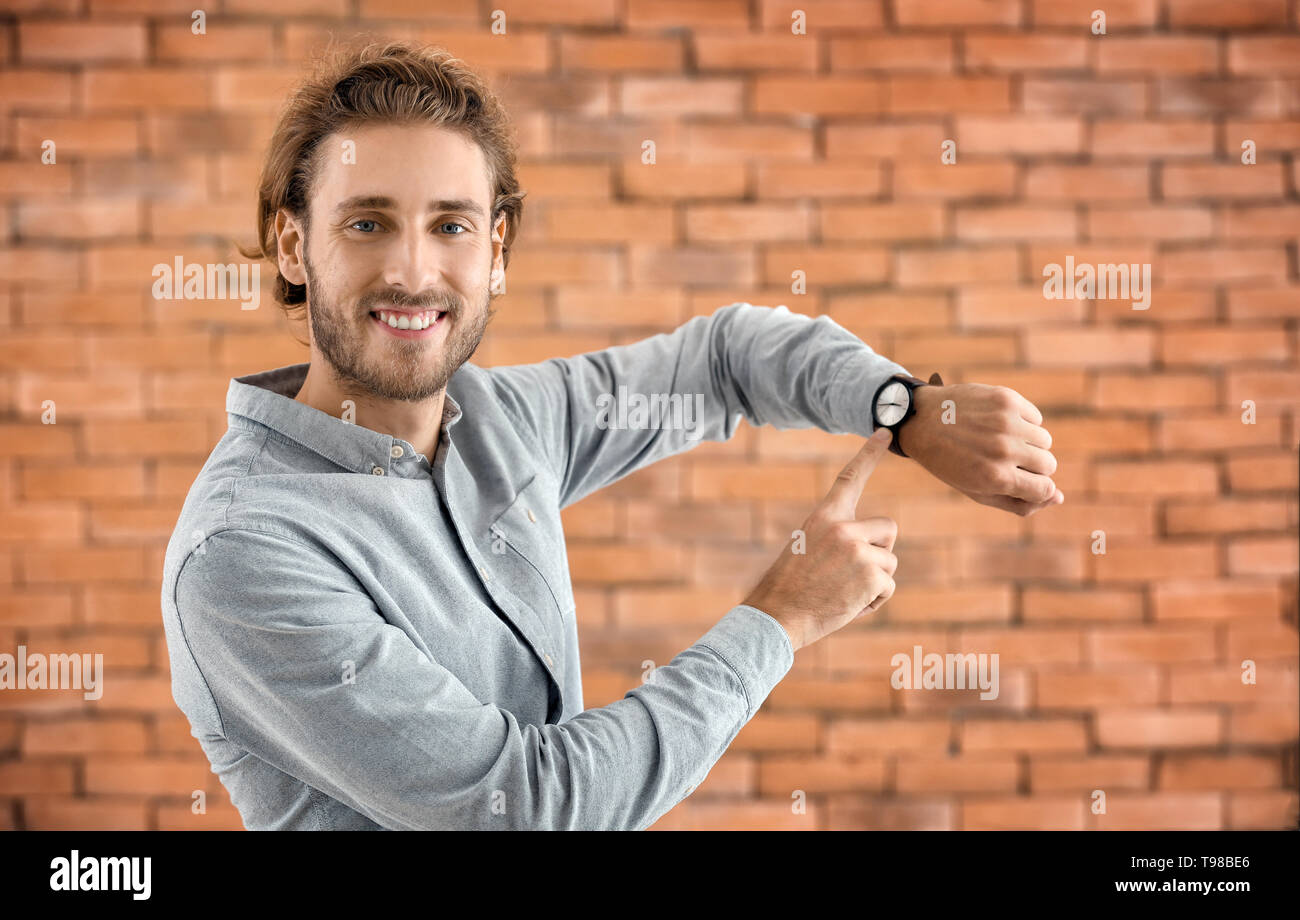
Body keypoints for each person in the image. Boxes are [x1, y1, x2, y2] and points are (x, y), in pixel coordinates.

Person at [161, 39, 1063, 830]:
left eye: (451, 226)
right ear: (290, 244)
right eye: (367, 223)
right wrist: (778, 620)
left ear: (498, 251)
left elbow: (723, 361)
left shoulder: (501, 424)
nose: (412, 270)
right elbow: (528, 806)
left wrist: (905, 410)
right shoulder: (246, 549)